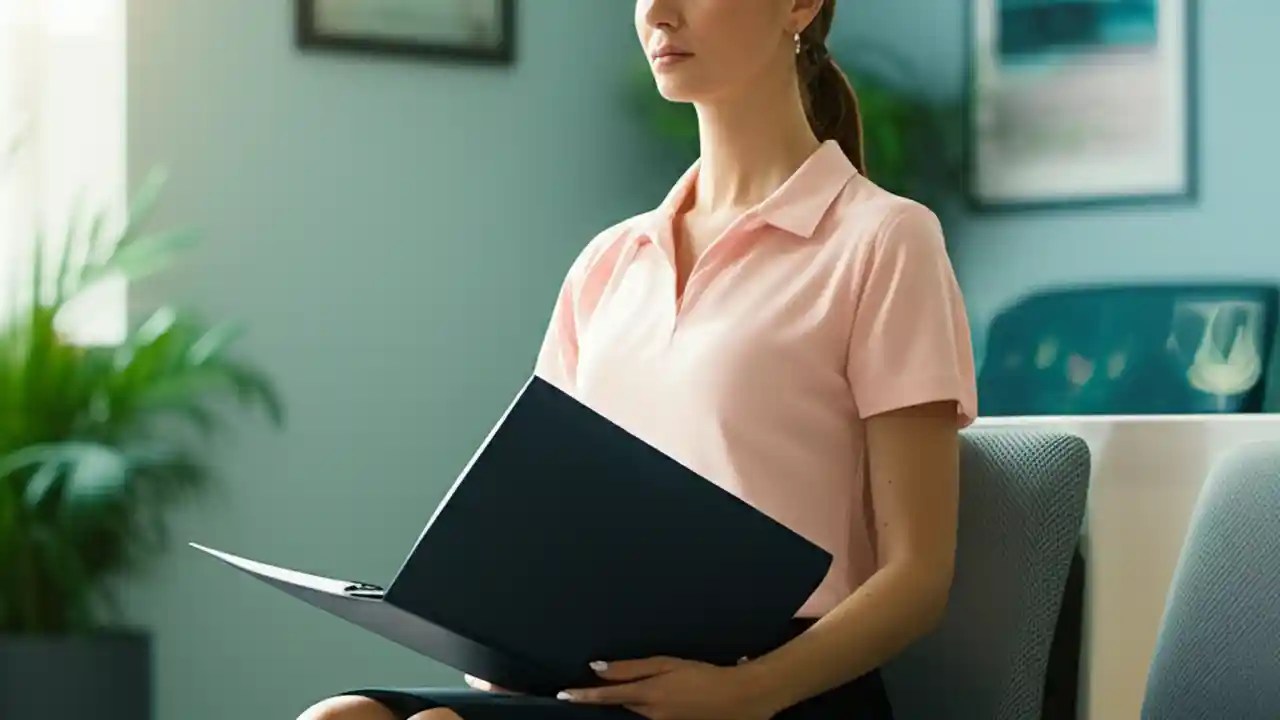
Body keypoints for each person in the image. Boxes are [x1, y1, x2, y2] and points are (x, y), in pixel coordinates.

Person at [299, 0, 976, 718]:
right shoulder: (610, 262)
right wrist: (499, 641)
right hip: (602, 681)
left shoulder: (886, 241)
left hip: (781, 692)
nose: (656, 10)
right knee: (340, 717)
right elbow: (539, 520)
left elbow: (916, 579)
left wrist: (742, 694)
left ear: (799, 6)